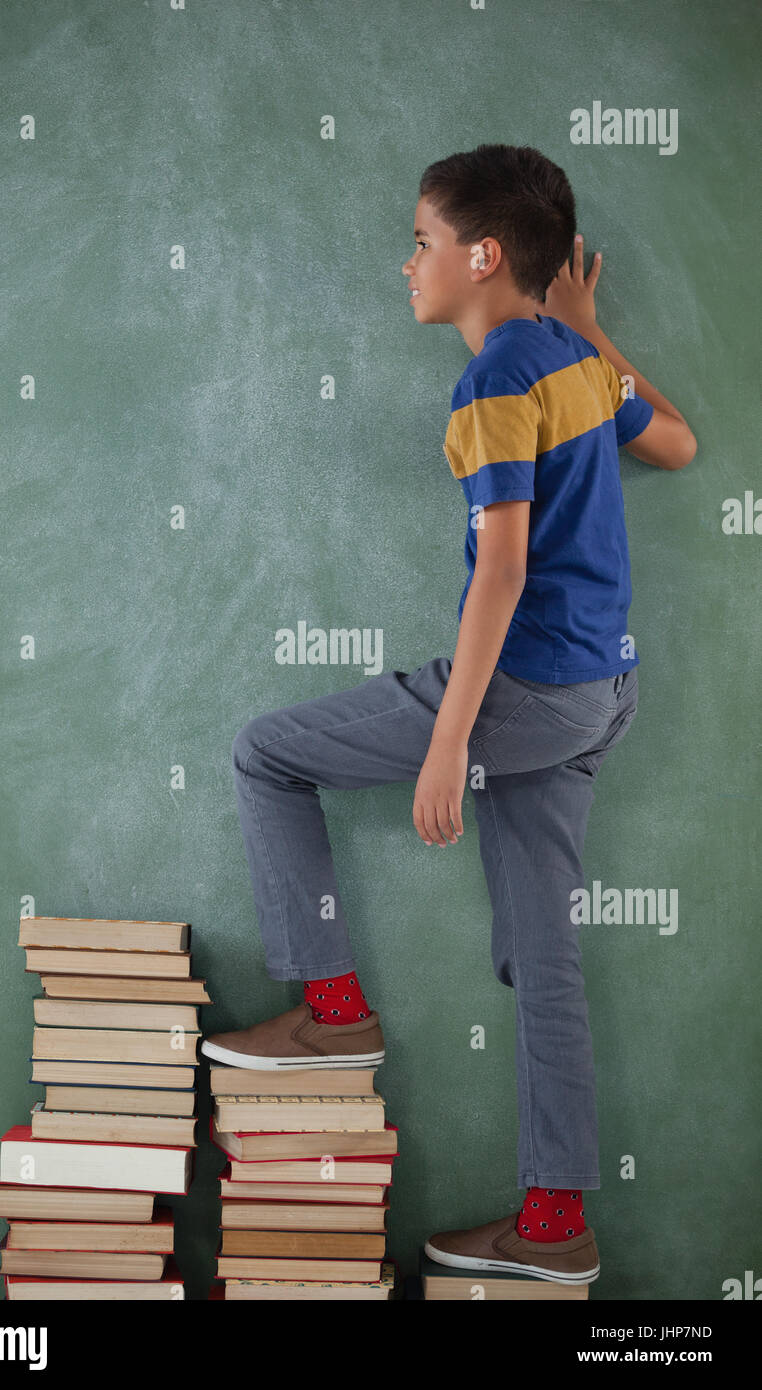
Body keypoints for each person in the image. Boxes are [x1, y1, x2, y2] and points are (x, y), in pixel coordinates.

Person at [201, 144, 696, 1285]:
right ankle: (554, 1223)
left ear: (481, 256)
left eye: (420, 241)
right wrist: (586, 323)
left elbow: (502, 573)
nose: (406, 262)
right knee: (544, 955)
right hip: (600, 695)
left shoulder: (488, 383)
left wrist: (443, 740)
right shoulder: (569, 359)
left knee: (264, 754)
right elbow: (672, 440)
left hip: (522, 691)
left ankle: (331, 1007)